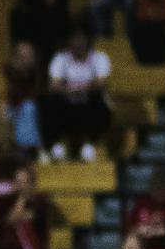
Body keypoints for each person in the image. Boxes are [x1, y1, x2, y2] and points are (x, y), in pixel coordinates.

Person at [44, 25, 113, 160]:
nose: (78, 43)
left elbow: (101, 83)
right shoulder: (61, 59)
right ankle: (57, 145)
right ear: (69, 41)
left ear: (88, 40)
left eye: (81, 39)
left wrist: (80, 89)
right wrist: (71, 91)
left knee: (99, 100)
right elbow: (53, 85)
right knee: (50, 101)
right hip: (68, 104)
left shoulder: (99, 58)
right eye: (74, 39)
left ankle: (90, 145)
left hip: (90, 104)